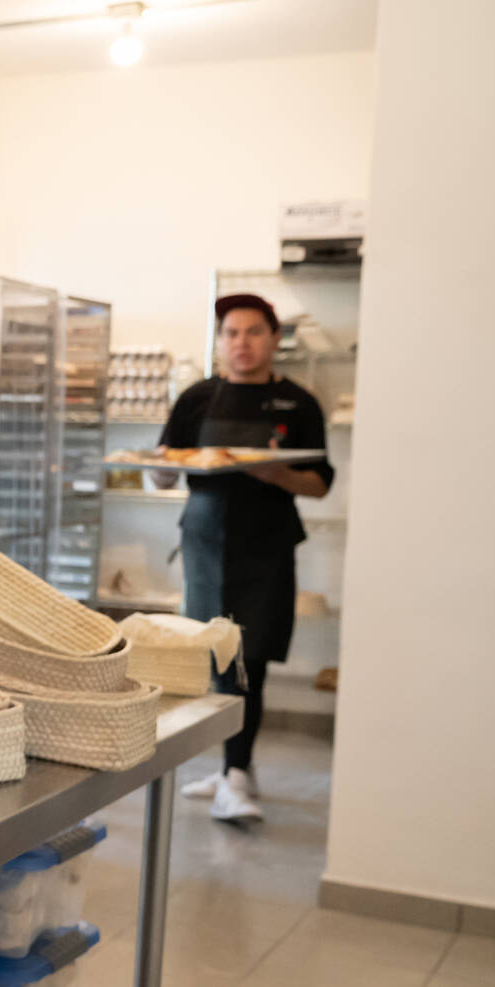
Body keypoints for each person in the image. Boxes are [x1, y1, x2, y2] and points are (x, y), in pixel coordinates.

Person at [158, 294, 333, 822]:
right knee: (215, 656)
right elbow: (164, 469)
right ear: (221, 340)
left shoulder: (299, 403)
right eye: (231, 333)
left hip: (268, 544)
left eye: (254, 332)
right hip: (207, 540)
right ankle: (234, 769)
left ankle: (236, 774)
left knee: (250, 656)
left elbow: (321, 484)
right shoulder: (196, 399)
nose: (242, 343)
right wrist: (158, 466)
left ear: (274, 338)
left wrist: (273, 472)